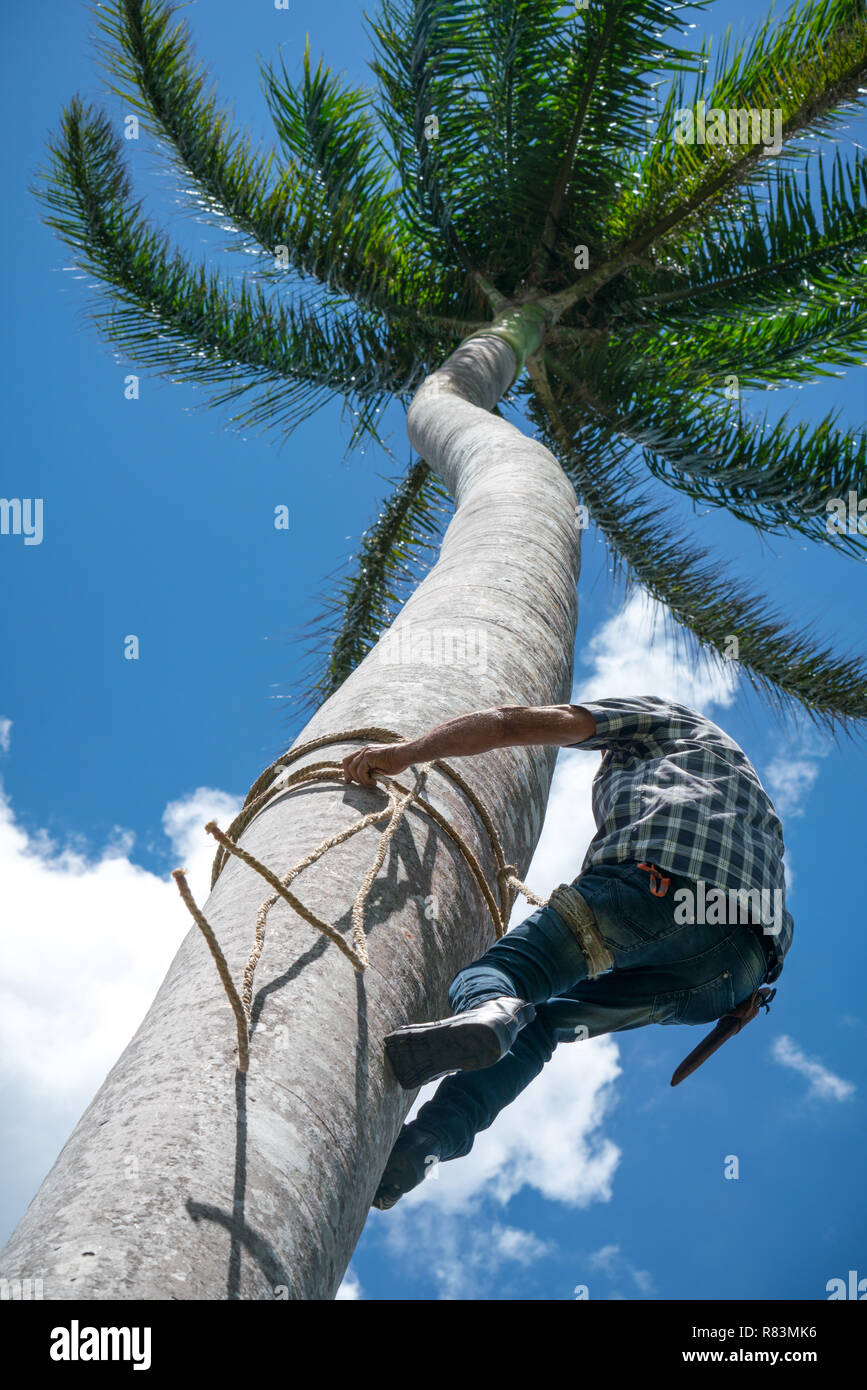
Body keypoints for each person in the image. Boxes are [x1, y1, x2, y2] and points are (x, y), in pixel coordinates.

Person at [341, 696, 793, 1210]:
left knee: (501, 977)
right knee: (545, 1023)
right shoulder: (743, 791)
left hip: (657, 886)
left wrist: (407, 752)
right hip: (733, 974)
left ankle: (488, 1010)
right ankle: (425, 1145)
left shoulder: (665, 721)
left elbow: (510, 724)